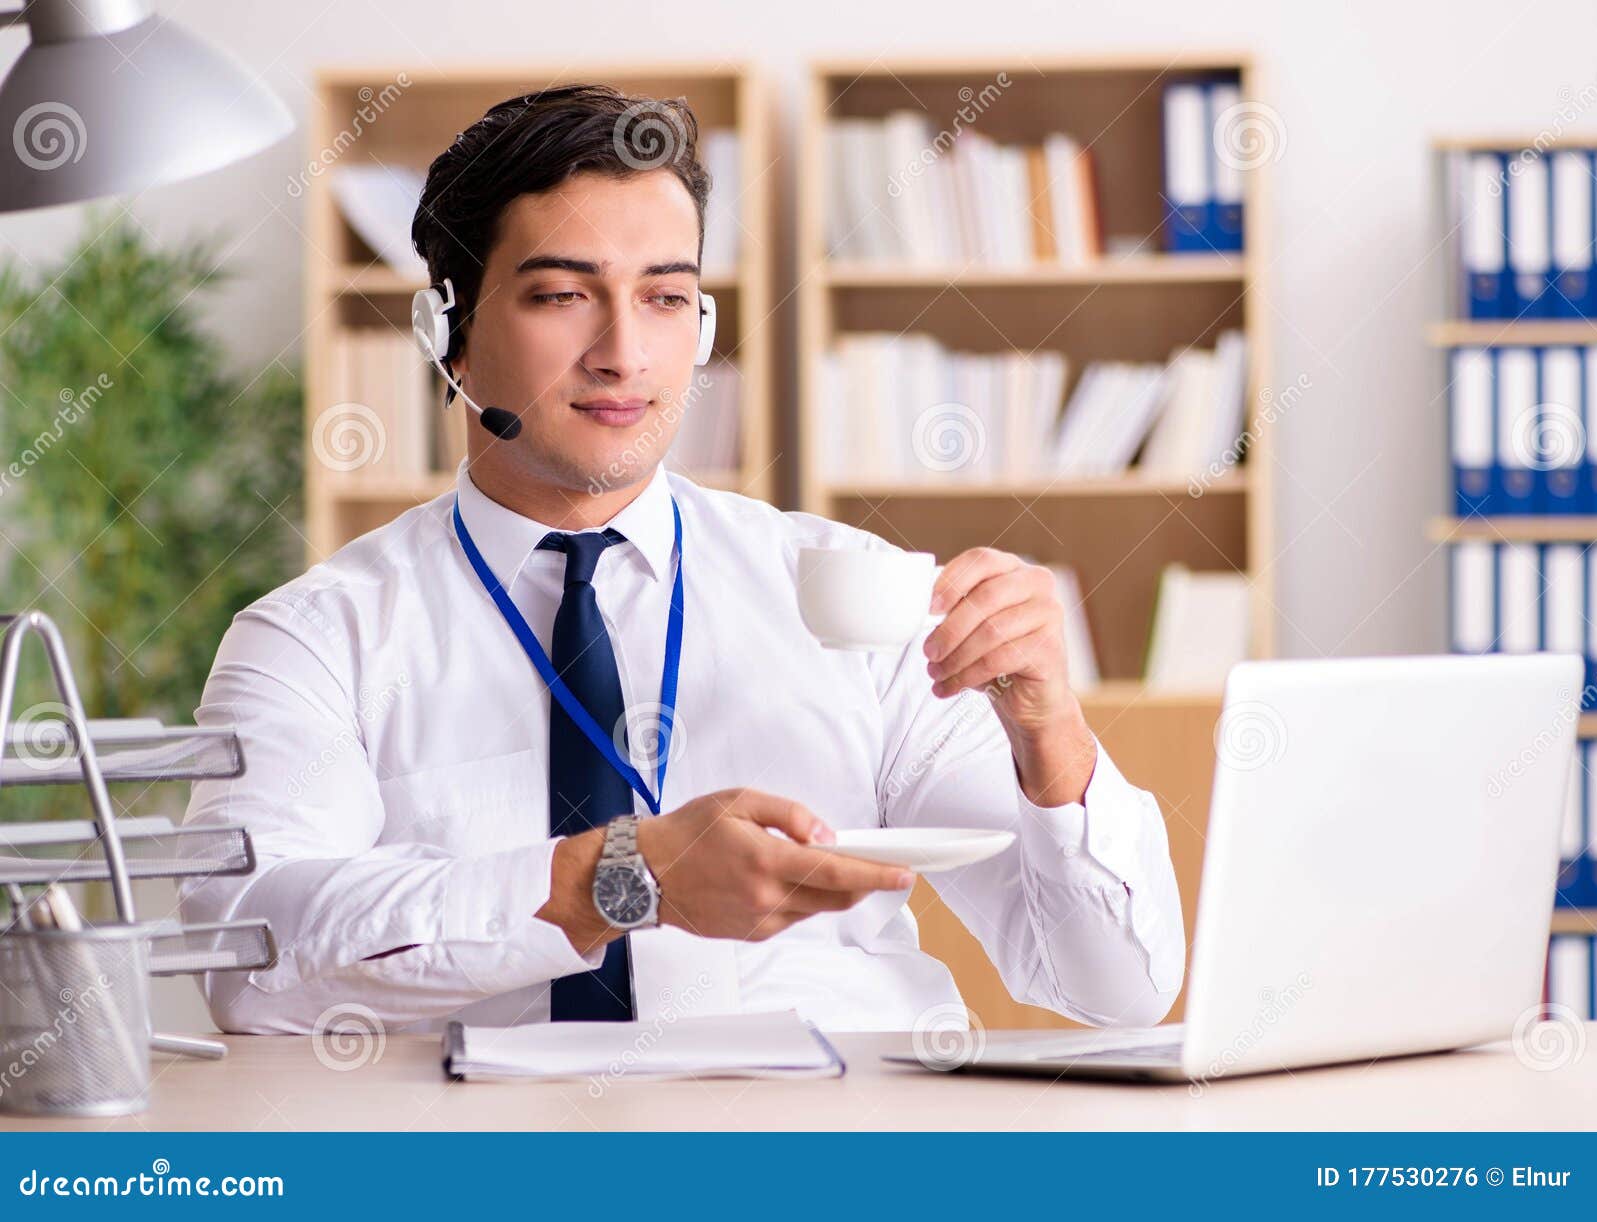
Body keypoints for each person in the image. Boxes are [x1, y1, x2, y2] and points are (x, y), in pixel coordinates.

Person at [179, 84, 1184, 1035]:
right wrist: (619, 876)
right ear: (447, 332)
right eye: (564, 295)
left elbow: (1120, 989)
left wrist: (1054, 740)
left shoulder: (850, 589)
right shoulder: (316, 638)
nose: (624, 353)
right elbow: (250, 958)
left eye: (666, 298)